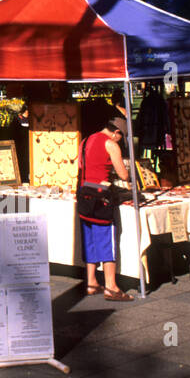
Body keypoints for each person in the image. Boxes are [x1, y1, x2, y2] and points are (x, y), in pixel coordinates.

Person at [76, 117, 134, 301]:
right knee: (106, 239)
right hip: (101, 197)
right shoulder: (111, 144)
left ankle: (91, 282)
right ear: (116, 132)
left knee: (89, 239)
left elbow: (80, 165)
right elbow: (123, 174)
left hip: (84, 193)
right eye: (121, 137)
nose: (120, 141)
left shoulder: (85, 141)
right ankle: (111, 286)